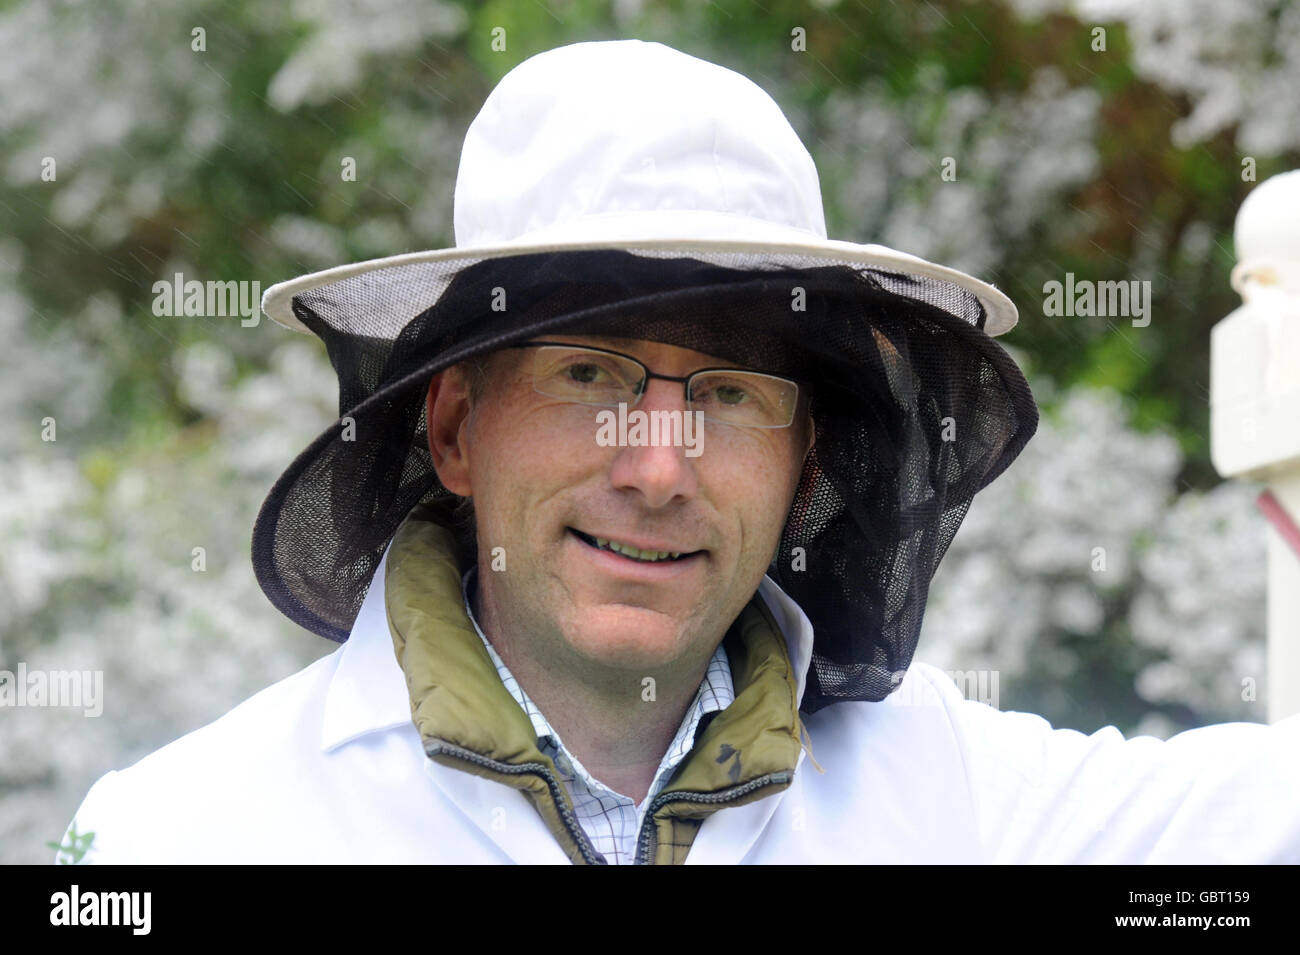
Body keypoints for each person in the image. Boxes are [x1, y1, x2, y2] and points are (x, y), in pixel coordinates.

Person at [62, 39, 1300, 864]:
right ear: (452, 428)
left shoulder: (962, 804)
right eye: (588, 374)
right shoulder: (175, 841)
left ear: (806, 461)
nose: (657, 468)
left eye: (724, 393)